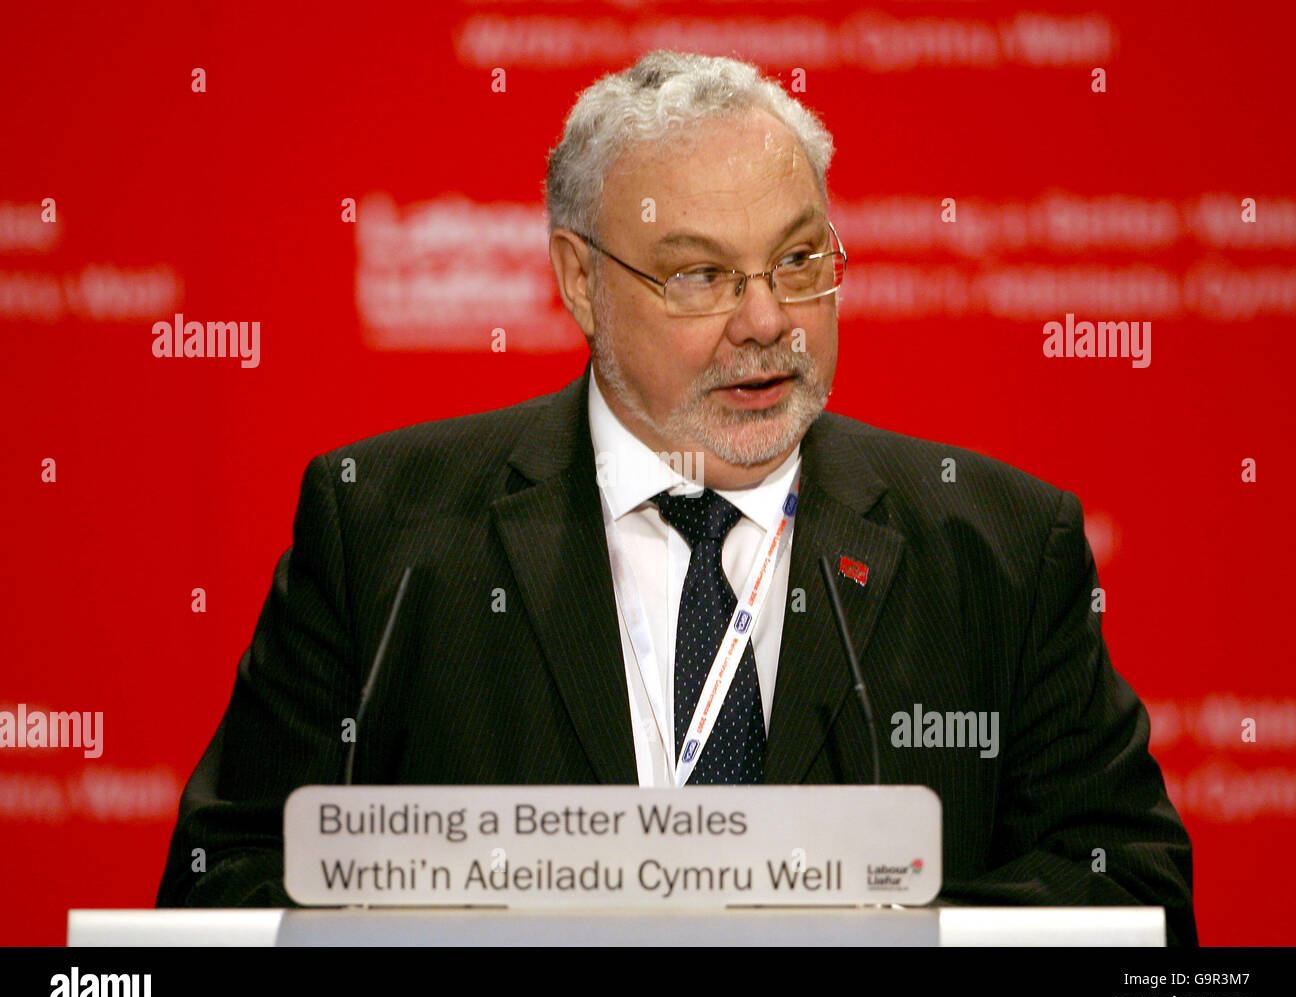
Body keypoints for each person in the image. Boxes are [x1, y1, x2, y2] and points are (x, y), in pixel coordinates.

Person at [157, 51, 1196, 945]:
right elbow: (225, 884)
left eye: (797, 260)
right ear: (579, 280)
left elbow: (1134, 894)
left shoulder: (1001, 545)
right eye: (699, 275)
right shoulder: (386, 530)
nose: (767, 319)